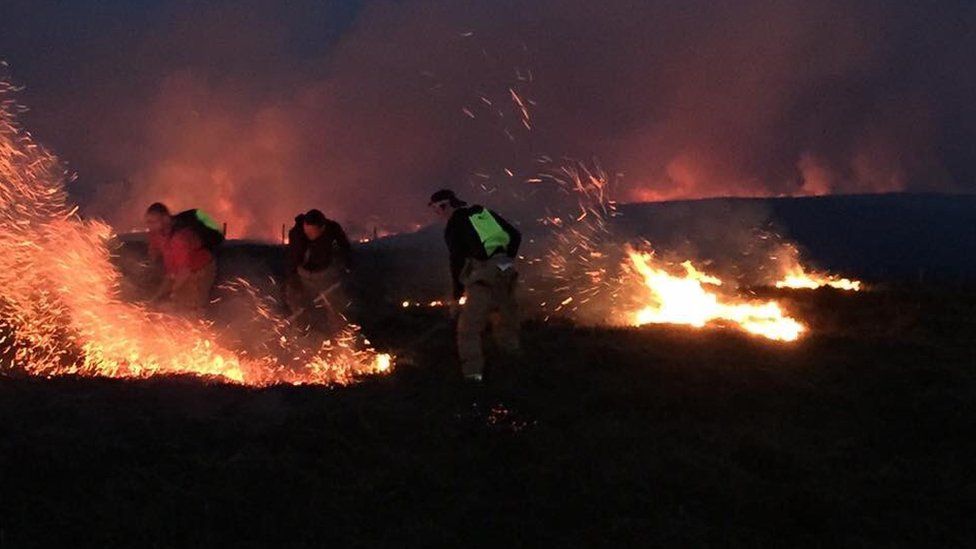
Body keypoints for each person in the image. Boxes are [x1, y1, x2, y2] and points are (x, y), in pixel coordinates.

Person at [429, 189, 522, 382]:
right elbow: (515, 235)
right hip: (507, 271)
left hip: (484, 276)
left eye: (437, 209)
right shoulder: (483, 213)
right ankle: (515, 371)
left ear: (445, 205)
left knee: (468, 330)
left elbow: (456, 261)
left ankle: (473, 378)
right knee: (506, 324)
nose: (437, 214)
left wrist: (457, 295)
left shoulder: (454, 224)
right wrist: (505, 260)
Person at [144, 202, 219, 315]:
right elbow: (154, 249)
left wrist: (173, 292)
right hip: (176, 271)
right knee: (157, 301)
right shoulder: (156, 233)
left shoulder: (180, 238)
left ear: (166, 219)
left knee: (190, 305)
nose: (149, 226)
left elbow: (185, 271)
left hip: (200, 270)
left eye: (153, 222)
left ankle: (196, 319)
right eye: (148, 222)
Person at [284, 209, 352, 323]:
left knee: (334, 306)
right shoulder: (296, 233)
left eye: (312, 232)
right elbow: (292, 259)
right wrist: (294, 281)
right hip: (303, 274)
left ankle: (336, 328)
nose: (308, 234)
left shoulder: (333, 228)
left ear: (322, 228)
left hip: (325, 274)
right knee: (297, 306)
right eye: (307, 231)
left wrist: (347, 266)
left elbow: (345, 248)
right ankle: (300, 328)